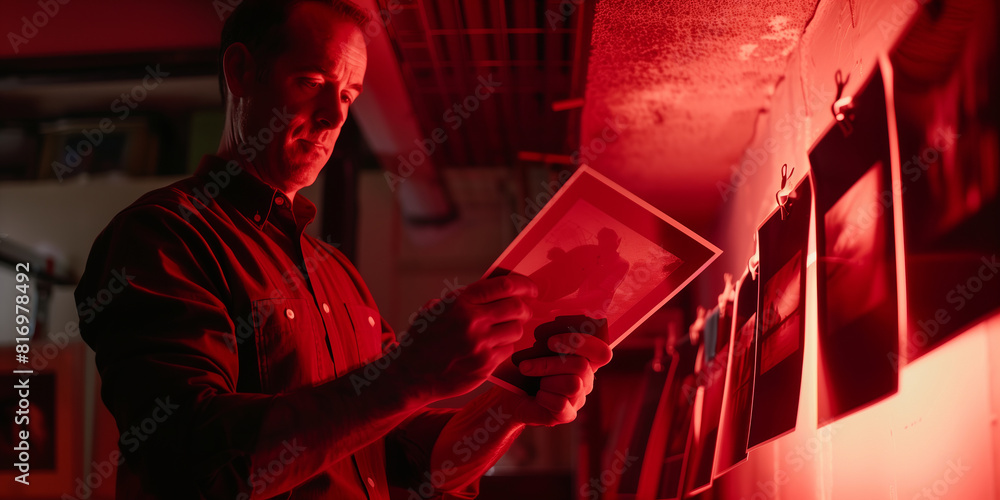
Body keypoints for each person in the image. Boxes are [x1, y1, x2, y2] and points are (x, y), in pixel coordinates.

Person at [74, 1, 612, 498]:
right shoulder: (162, 235)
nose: (335, 117)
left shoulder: (336, 272)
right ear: (240, 71)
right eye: (311, 82)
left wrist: (509, 406)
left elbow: (416, 464)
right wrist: (409, 375)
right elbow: (188, 464)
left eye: (349, 95)